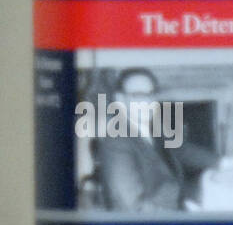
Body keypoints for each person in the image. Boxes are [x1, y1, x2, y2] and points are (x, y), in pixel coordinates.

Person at [91, 68, 218, 212]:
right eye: (138, 95)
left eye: (151, 94)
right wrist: (186, 217)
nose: (147, 102)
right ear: (120, 99)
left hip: (176, 204)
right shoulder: (115, 142)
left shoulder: (151, 128)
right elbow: (134, 207)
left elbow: (181, 150)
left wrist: (225, 163)